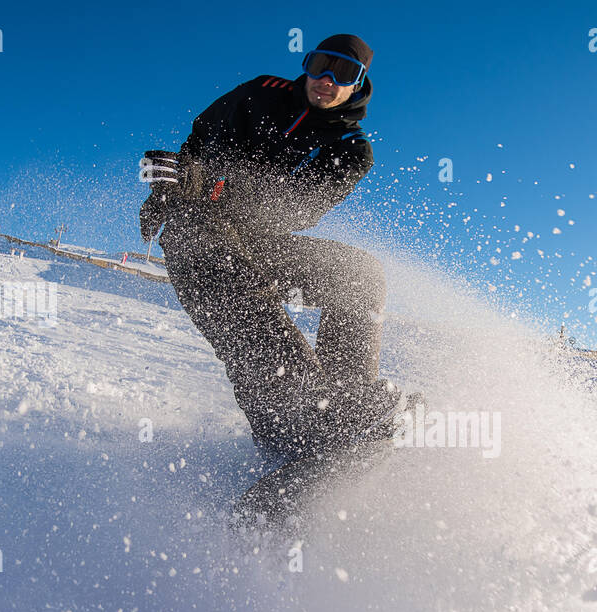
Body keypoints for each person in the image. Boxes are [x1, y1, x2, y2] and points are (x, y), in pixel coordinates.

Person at [139, 34, 405, 467]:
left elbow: (295, 209)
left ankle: (346, 405)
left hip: (261, 238)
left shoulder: (351, 149)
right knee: (224, 269)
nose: (326, 79)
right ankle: (294, 419)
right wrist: (170, 188)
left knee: (360, 273)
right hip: (199, 235)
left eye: (343, 73)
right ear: (306, 63)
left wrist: (211, 184)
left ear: (358, 84)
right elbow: (200, 140)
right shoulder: (260, 93)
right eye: (321, 64)